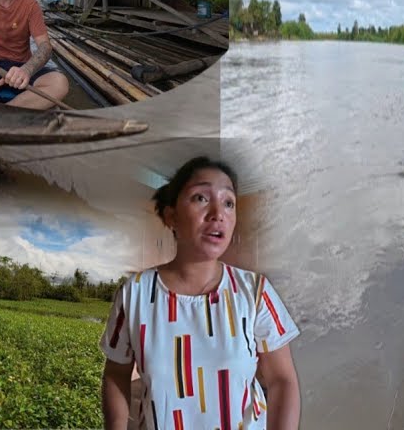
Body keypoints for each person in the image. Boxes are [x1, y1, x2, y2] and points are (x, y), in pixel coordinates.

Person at [100, 157, 301, 430]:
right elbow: (116, 373)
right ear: (171, 216)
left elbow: (282, 380)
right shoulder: (134, 293)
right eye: (201, 198)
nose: (218, 212)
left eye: (229, 202)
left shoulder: (255, 292)